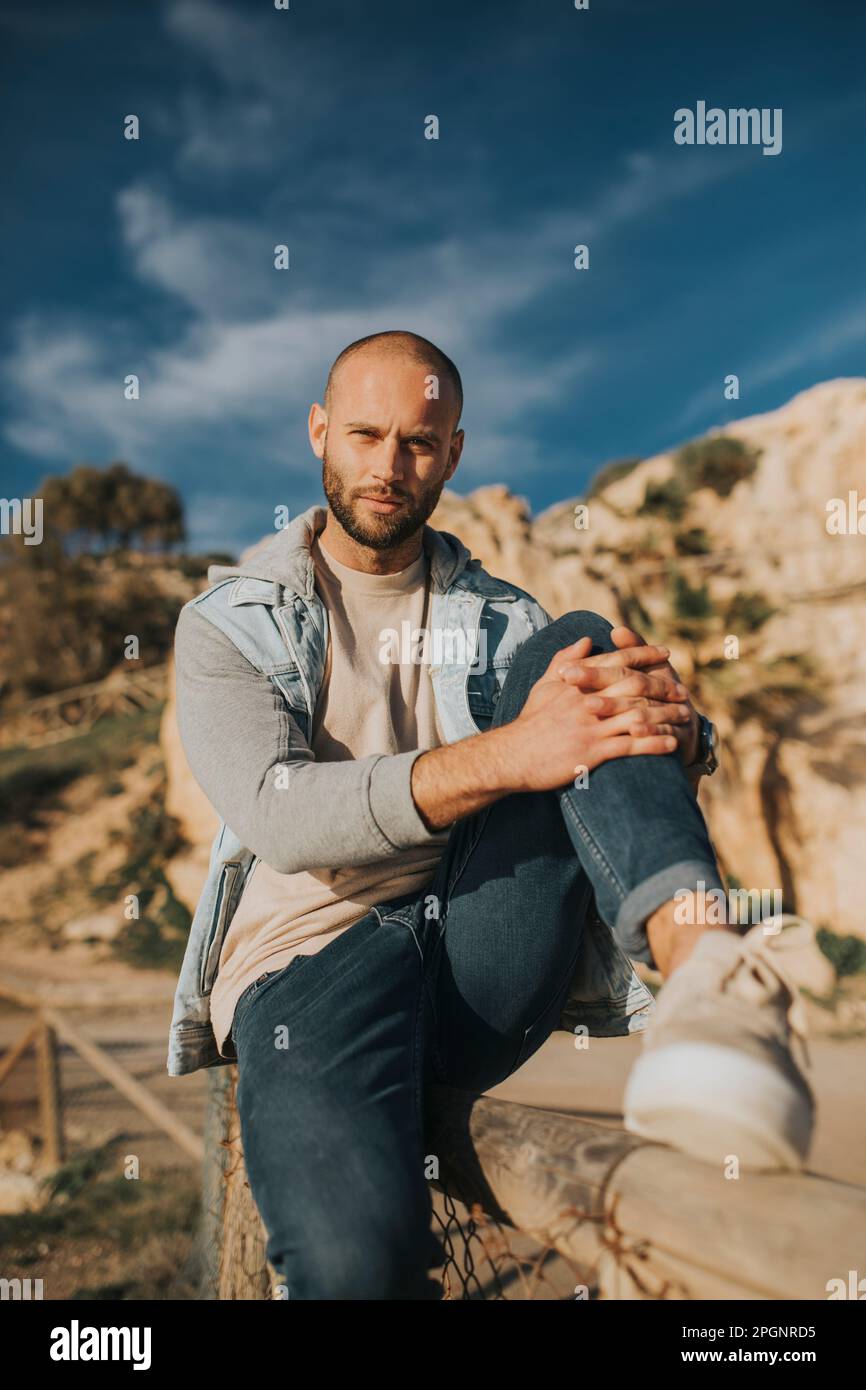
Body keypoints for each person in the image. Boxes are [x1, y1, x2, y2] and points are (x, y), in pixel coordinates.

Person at [169, 330, 814, 1300]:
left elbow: (586, 763)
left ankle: (710, 986)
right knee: (349, 1267)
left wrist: (677, 738)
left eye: (419, 443)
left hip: (477, 952)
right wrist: (516, 752)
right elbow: (282, 815)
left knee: (583, 646)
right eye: (365, 435)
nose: (389, 466)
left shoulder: (505, 619)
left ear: (453, 453)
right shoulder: (230, 622)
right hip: (306, 971)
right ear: (318, 431)